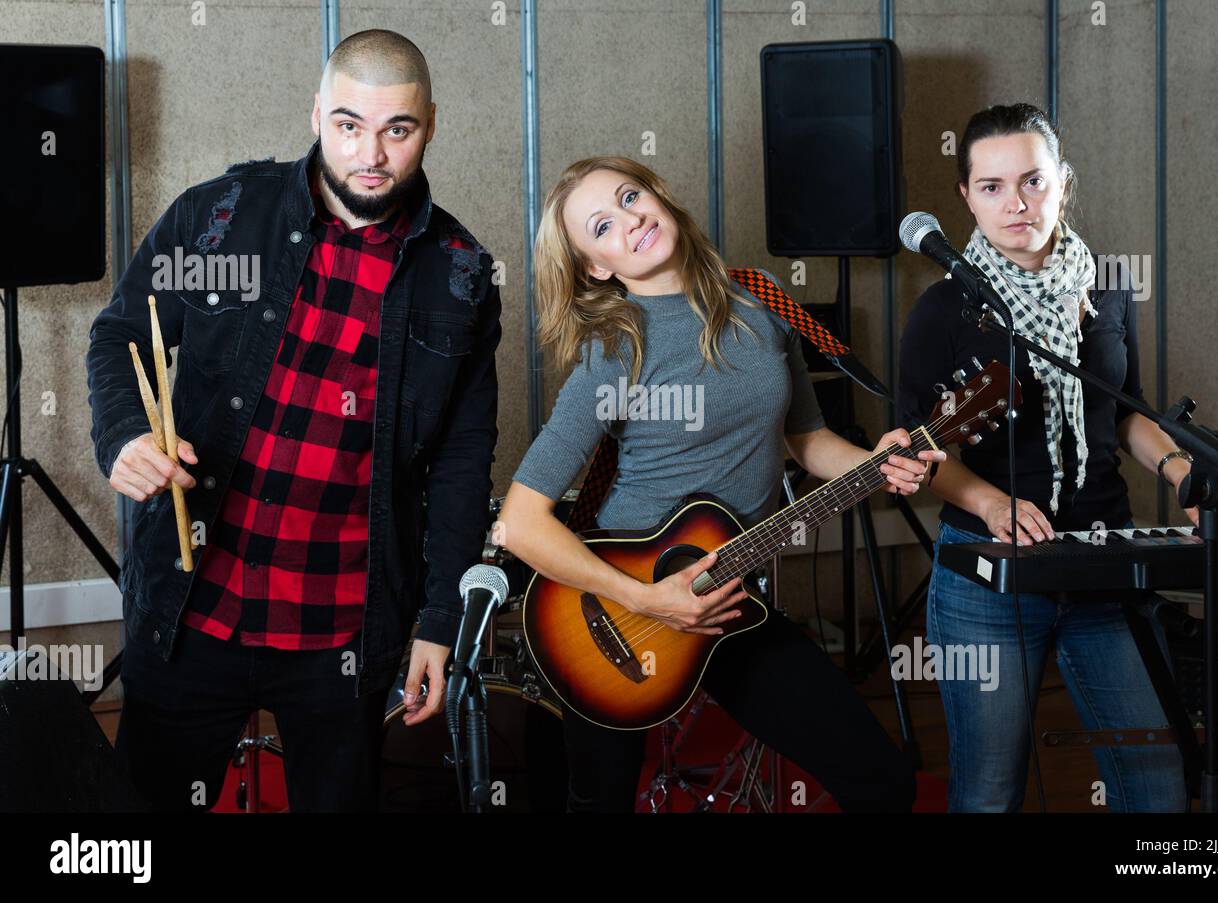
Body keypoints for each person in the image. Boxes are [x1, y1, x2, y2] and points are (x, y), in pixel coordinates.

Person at [85, 29, 500, 811]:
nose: (369, 153)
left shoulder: (462, 276)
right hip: (195, 605)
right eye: (348, 125)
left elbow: (460, 461)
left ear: (431, 125)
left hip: (344, 626)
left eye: (396, 130)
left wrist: (441, 618)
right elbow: (121, 334)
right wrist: (125, 435)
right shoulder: (220, 214)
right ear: (316, 113)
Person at [497, 155, 945, 812]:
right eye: (603, 224)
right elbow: (521, 520)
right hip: (608, 614)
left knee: (883, 780)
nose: (630, 219)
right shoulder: (613, 349)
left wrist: (877, 462)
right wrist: (647, 600)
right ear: (597, 265)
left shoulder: (761, 296)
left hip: (727, 593)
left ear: (657, 191)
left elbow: (807, 439)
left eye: (630, 195)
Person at [897, 102, 1218, 812]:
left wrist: (1186, 474)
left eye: (1033, 181)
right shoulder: (943, 311)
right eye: (993, 186)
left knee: (1158, 789)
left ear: (1064, 181)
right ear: (966, 198)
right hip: (988, 577)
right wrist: (987, 501)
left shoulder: (1105, 290)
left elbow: (1123, 410)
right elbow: (918, 452)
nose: (1016, 203)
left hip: (1102, 559)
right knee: (988, 792)